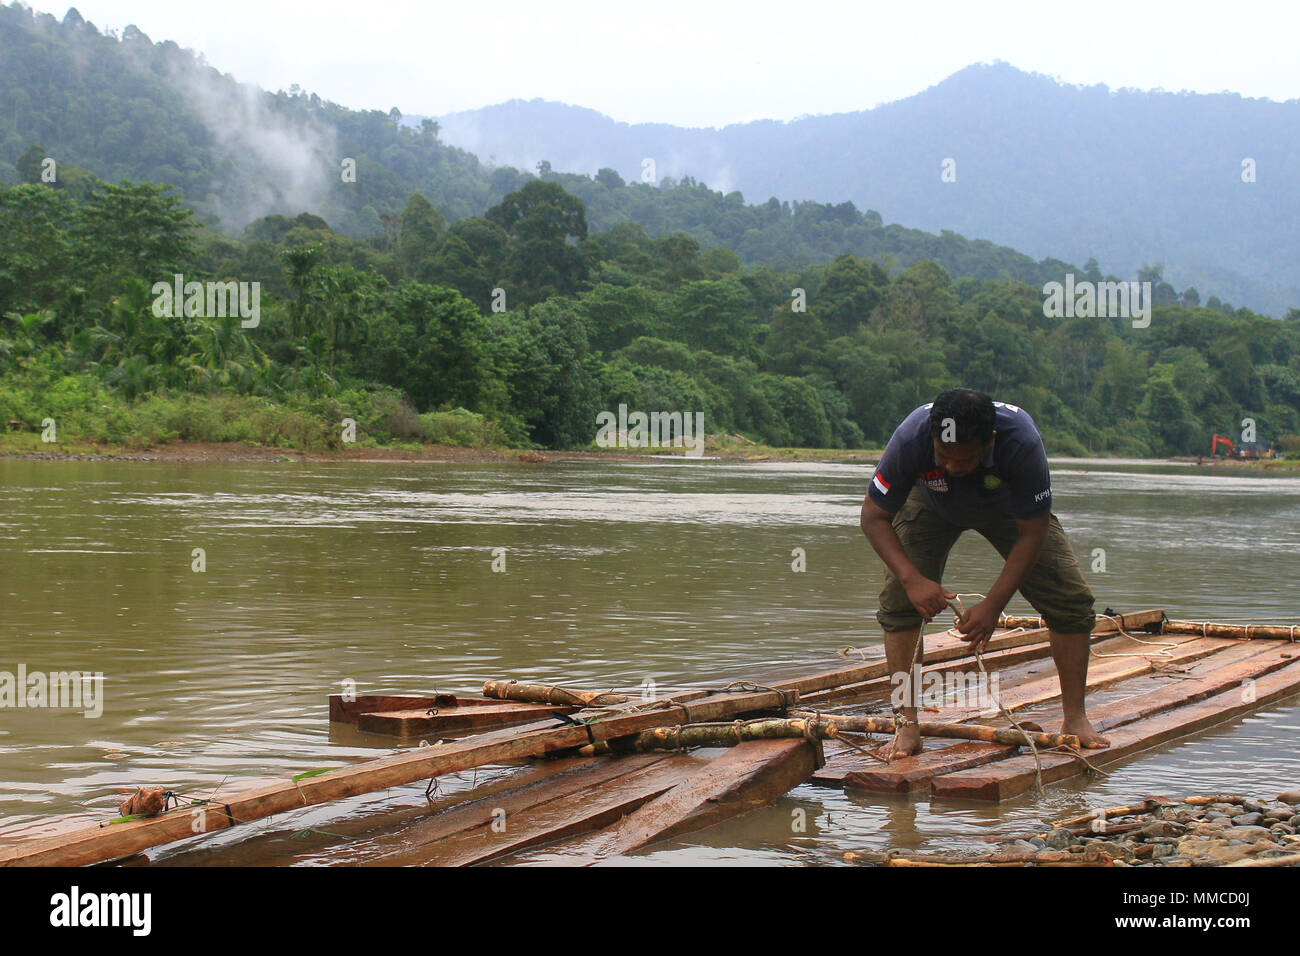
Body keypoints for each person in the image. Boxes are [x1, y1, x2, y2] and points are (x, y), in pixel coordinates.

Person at [859, 388, 1107, 759]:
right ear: (932, 439)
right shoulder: (912, 437)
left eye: (968, 459)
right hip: (929, 502)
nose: (955, 468)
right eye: (944, 456)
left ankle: (1075, 718)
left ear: (990, 441)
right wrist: (912, 579)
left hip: (1008, 507)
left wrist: (993, 606)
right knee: (898, 607)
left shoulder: (1021, 441)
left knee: (1070, 601)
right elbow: (873, 517)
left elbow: (1033, 532)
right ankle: (906, 726)